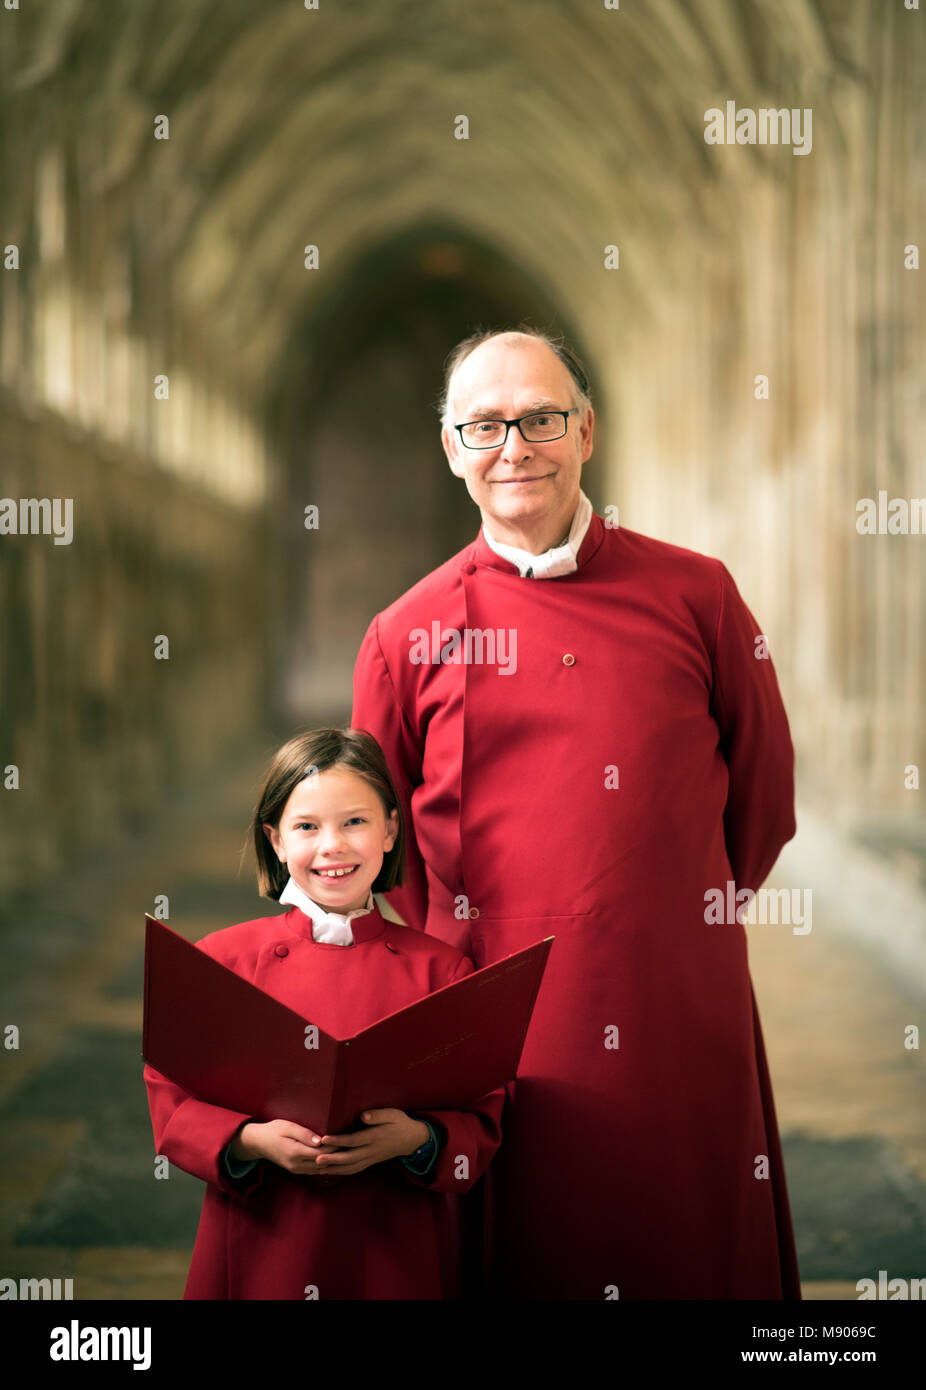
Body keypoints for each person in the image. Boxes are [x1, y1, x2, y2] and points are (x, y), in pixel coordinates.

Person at [350, 325, 802, 1300]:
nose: (512, 446)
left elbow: (761, 800)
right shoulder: (403, 632)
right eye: (482, 425)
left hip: (671, 1003)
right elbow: (379, 853)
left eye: (540, 418)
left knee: (686, 1250)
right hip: (490, 1016)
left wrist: (670, 914)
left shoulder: (697, 595)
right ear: (450, 450)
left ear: (585, 431)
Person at [142, 727, 506, 1300]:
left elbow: (485, 1111)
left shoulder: (442, 973)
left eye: (355, 822)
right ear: (276, 840)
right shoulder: (223, 959)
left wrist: (416, 1136)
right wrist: (252, 1141)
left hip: (394, 1243)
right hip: (265, 1230)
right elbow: (170, 1091)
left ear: (391, 828)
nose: (332, 845)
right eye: (307, 826)